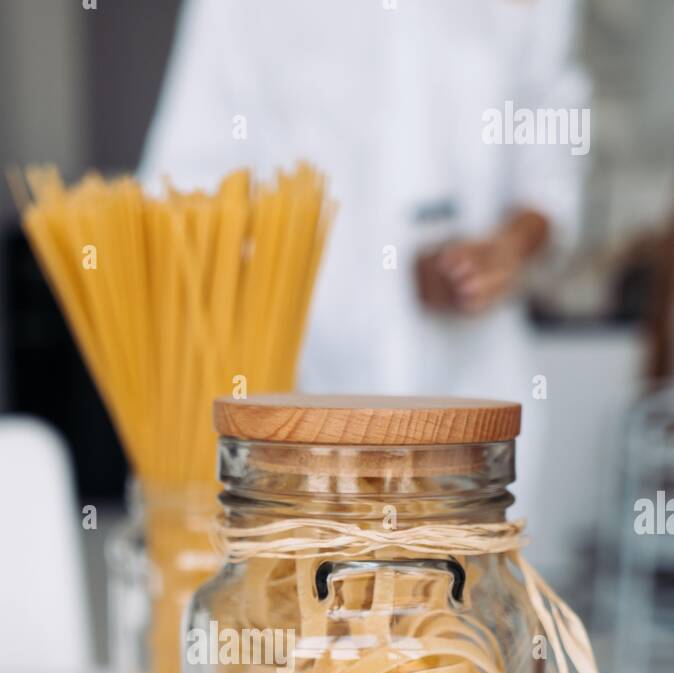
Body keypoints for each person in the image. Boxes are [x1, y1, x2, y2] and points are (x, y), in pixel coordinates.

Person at [141, 0, 590, 522]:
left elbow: (552, 151)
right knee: (306, 596)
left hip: (477, 413)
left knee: (468, 595)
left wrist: (508, 247)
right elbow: (184, 192)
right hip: (298, 422)